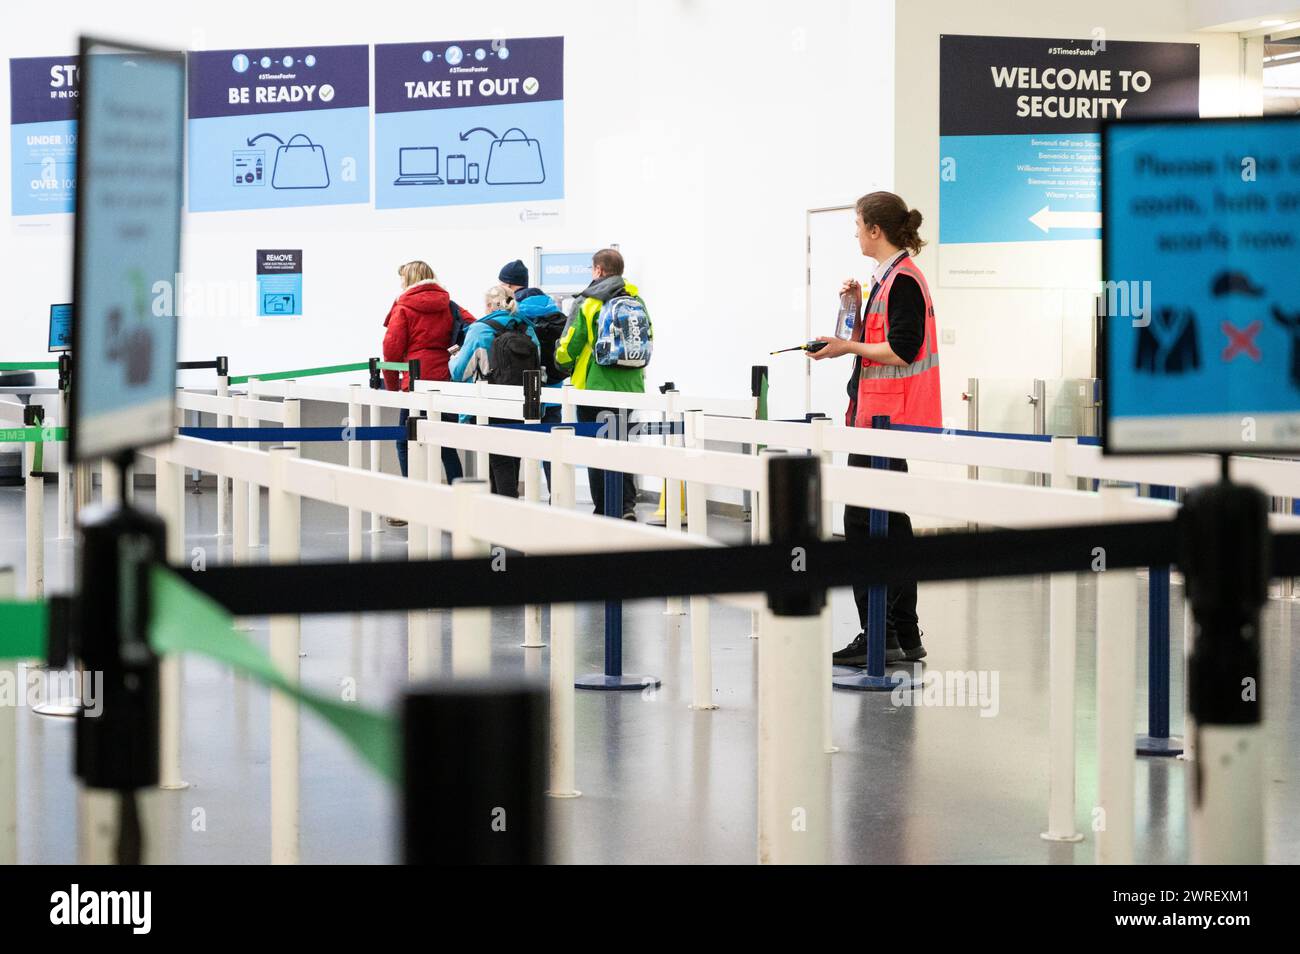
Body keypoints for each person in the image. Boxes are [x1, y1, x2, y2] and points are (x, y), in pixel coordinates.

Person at [807, 192, 941, 665]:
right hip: (878, 418)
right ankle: (901, 631)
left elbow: (903, 349)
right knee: (891, 523)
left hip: (886, 419)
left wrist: (847, 346)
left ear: (875, 231)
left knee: (864, 525)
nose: (856, 233)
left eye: (858, 225)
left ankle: (879, 632)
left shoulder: (903, 279)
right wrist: (854, 309)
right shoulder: (889, 280)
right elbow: (883, 339)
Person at [554, 249, 649, 519]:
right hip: (631, 387)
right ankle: (626, 506)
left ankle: (604, 508)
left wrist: (559, 359)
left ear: (597, 270)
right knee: (621, 443)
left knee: (596, 446)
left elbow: (570, 343)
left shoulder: (589, 302)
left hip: (594, 387)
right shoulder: (635, 298)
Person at [382, 262, 468, 523]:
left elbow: (392, 348)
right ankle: (462, 504)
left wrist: (393, 385)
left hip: (416, 381)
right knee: (445, 444)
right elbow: (474, 326)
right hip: (445, 379)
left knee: (405, 442)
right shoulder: (448, 303)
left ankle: (412, 506)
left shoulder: (404, 306)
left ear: (408, 279)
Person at [450, 284, 541, 497]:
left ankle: (504, 510)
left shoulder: (479, 329)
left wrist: (452, 359)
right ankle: (506, 505)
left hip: (488, 404)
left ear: (490, 305)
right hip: (521, 402)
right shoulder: (526, 328)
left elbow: (460, 371)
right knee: (512, 457)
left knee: (497, 460)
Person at [514, 287, 569, 491]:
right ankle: (557, 495)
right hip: (554, 393)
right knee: (553, 449)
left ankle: (528, 495)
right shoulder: (559, 317)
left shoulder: (518, 318)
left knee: (522, 446)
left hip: (527, 393)